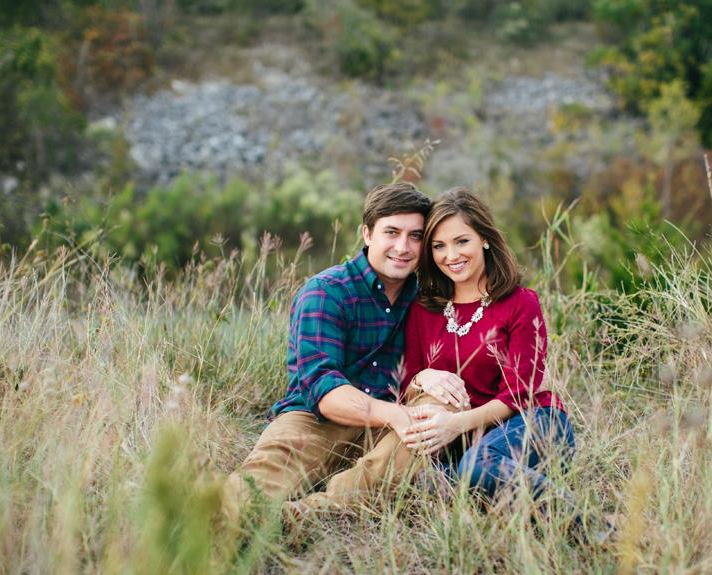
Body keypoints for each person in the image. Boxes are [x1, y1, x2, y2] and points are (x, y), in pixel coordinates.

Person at [289, 186, 574, 514]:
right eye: (439, 246)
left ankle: (592, 526)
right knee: (430, 484)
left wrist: (456, 424)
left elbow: (518, 393)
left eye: (462, 241)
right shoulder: (425, 307)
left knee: (478, 467)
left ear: (484, 238)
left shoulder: (519, 302)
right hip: (460, 440)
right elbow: (407, 384)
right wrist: (424, 376)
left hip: (530, 422)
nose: (451, 256)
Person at [221, 182, 435, 526]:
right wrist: (393, 414)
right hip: (315, 421)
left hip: (389, 432)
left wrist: (431, 377)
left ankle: (311, 515)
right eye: (391, 232)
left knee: (441, 405)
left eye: (415, 236)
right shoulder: (327, 292)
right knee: (241, 503)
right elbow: (324, 390)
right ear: (367, 234)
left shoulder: (428, 299)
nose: (403, 247)